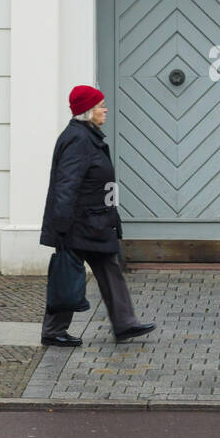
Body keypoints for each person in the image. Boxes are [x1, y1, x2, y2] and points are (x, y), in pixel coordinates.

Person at [39, 85, 156, 347]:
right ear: (87, 111)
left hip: (95, 222)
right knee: (68, 275)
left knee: (109, 267)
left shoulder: (87, 136)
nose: (105, 109)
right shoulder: (78, 139)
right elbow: (66, 183)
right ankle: (53, 331)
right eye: (101, 105)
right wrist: (61, 227)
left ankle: (125, 323)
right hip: (79, 224)